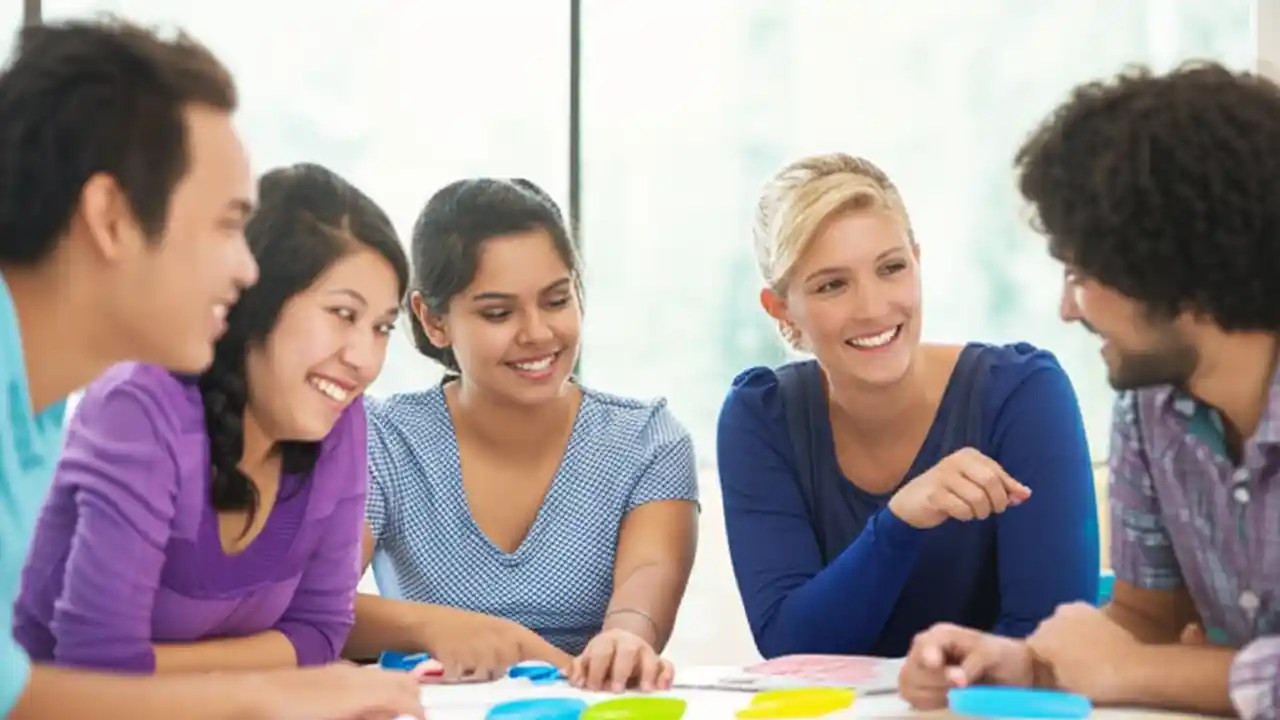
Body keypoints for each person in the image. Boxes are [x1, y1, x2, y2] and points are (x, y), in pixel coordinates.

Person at [0, 19, 421, 720]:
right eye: (227, 224)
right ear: (112, 216)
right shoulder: (110, 406)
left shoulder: (32, 417)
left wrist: (266, 699)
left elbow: (12, 693)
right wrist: (261, 699)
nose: (248, 268)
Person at [897, 63, 1280, 720]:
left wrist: (1137, 669)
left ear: (1173, 268)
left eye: (1080, 272)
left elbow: (1138, 663)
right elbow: (1146, 618)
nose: (1068, 309)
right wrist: (1028, 665)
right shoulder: (1150, 404)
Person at [14, 162, 408, 674]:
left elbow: (320, 631)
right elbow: (96, 664)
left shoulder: (340, 418)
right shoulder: (141, 404)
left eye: (382, 328)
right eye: (343, 314)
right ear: (256, 300)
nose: (365, 359)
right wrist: (261, 685)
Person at [717, 153, 1099, 659]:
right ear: (782, 310)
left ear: (917, 262)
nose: (873, 307)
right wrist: (899, 523)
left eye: (891, 268)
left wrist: (938, 692)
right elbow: (792, 646)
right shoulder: (760, 418)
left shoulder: (1023, 395)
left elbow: (1049, 640)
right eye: (832, 285)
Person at [341, 178, 699, 693]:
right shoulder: (384, 440)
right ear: (433, 320)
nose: (537, 333)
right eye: (498, 313)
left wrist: (621, 643)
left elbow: (634, 619)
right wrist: (462, 630)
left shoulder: (646, 443)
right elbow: (316, 606)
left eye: (556, 300)